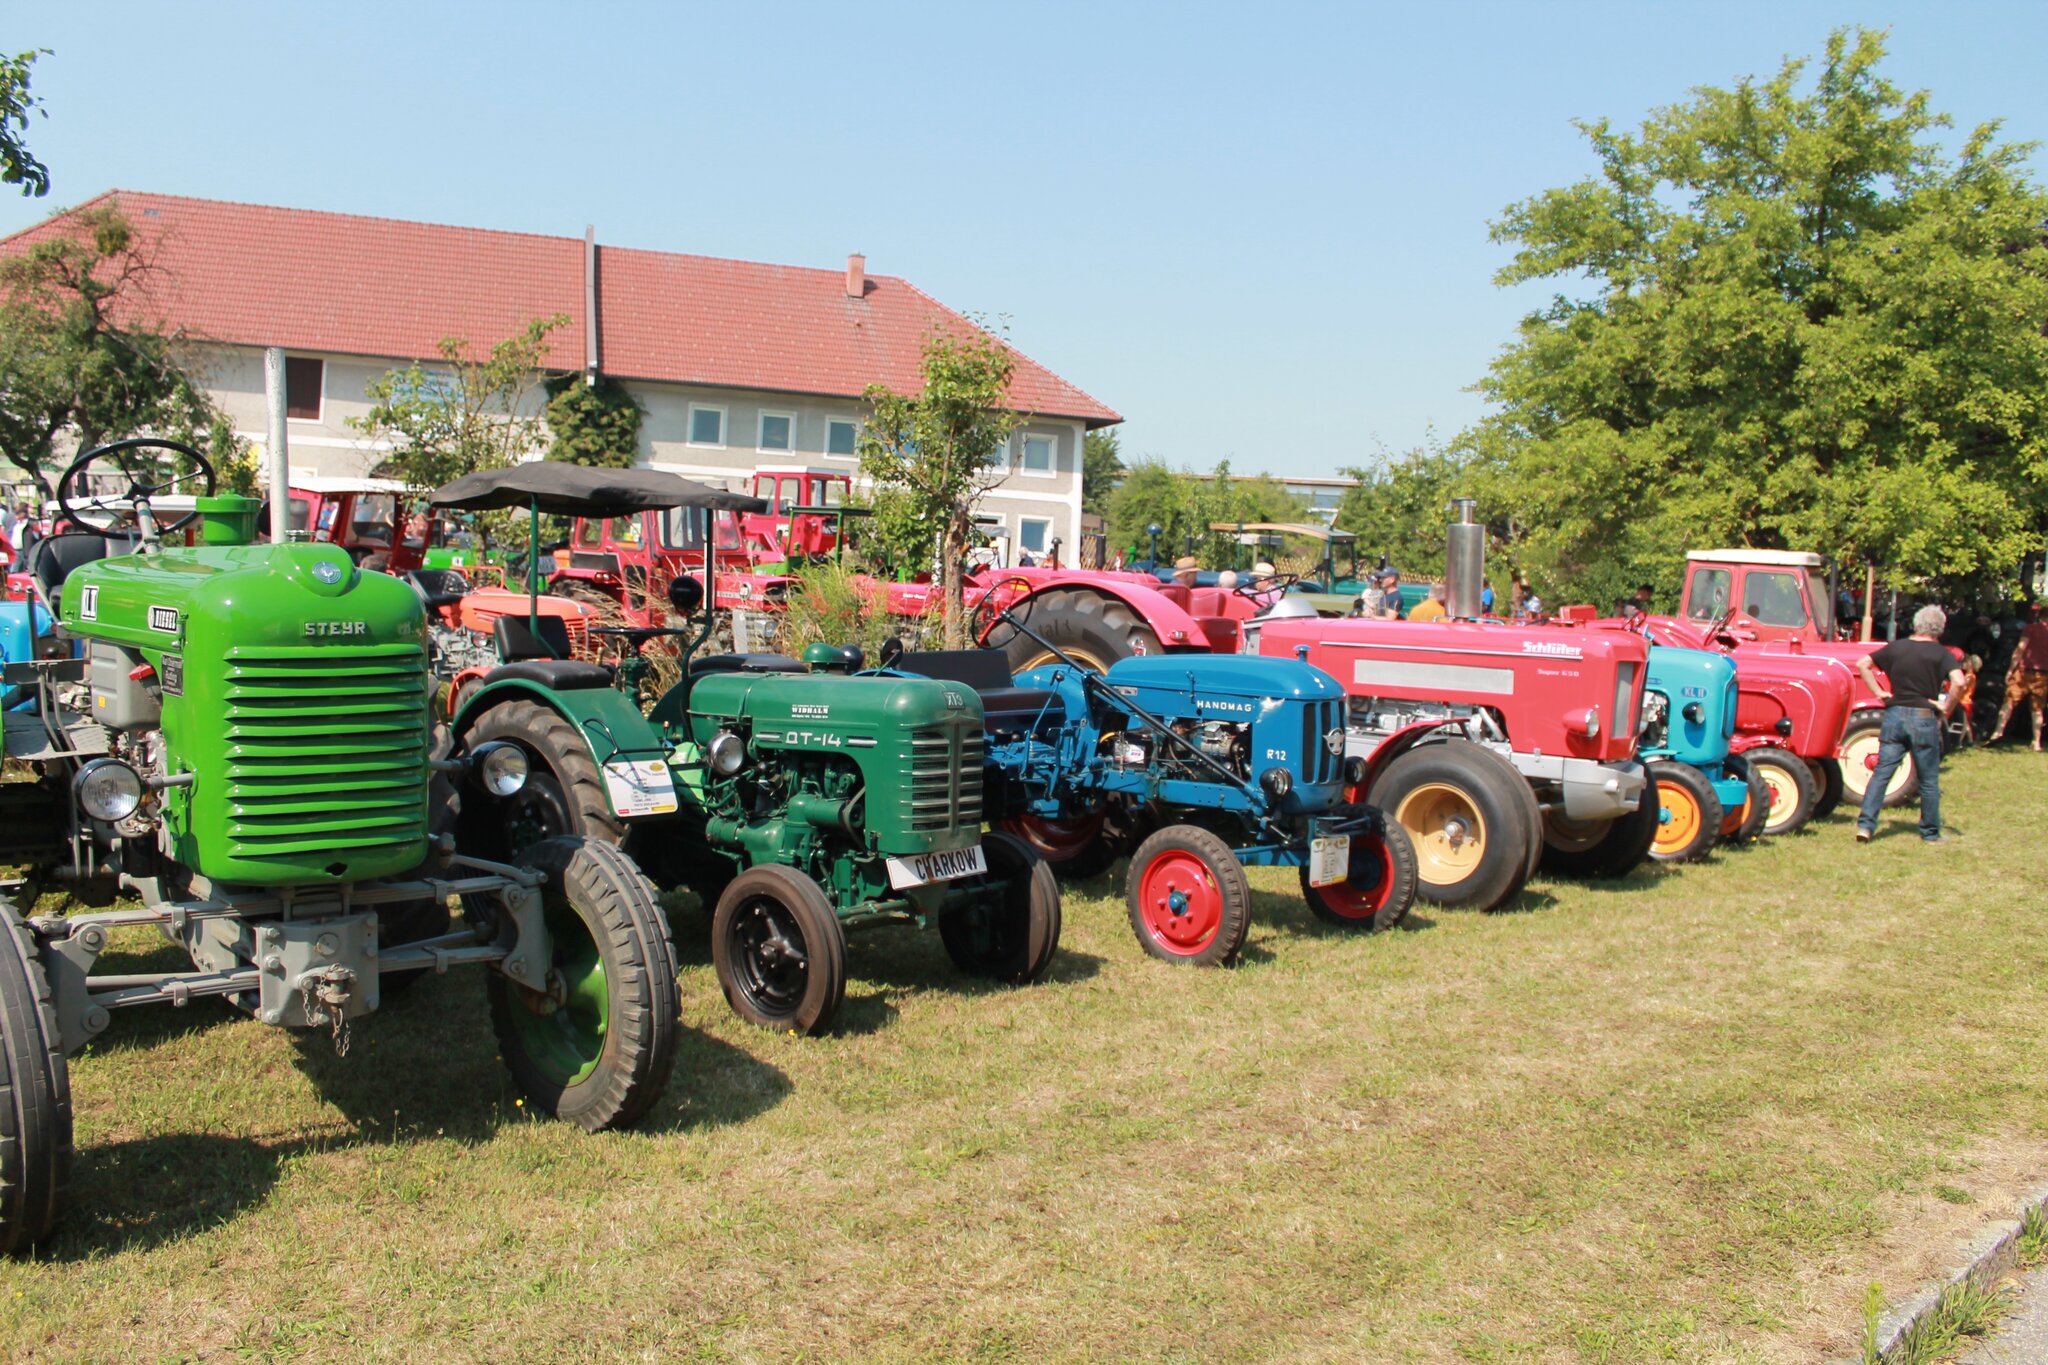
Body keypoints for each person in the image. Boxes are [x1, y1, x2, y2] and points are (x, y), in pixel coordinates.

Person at [1854, 604, 1968, 843]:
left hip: (1894, 715)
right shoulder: (1941, 654)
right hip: (1923, 717)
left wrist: (1879, 692)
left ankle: (1865, 826)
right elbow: (1959, 682)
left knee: (1882, 774)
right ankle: (1929, 832)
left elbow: (1863, 663)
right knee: (1928, 780)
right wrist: (1947, 707)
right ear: (1939, 629)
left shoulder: (1896, 647)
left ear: (1916, 624)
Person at [1987, 602, 2048, 751]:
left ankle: (1998, 732)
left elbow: (2020, 649)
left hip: (2023, 671)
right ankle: (2036, 741)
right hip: (2043, 674)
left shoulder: (2031, 628)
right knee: (2037, 709)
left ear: (2040, 616)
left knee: (2008, 702)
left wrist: (2010, 670)